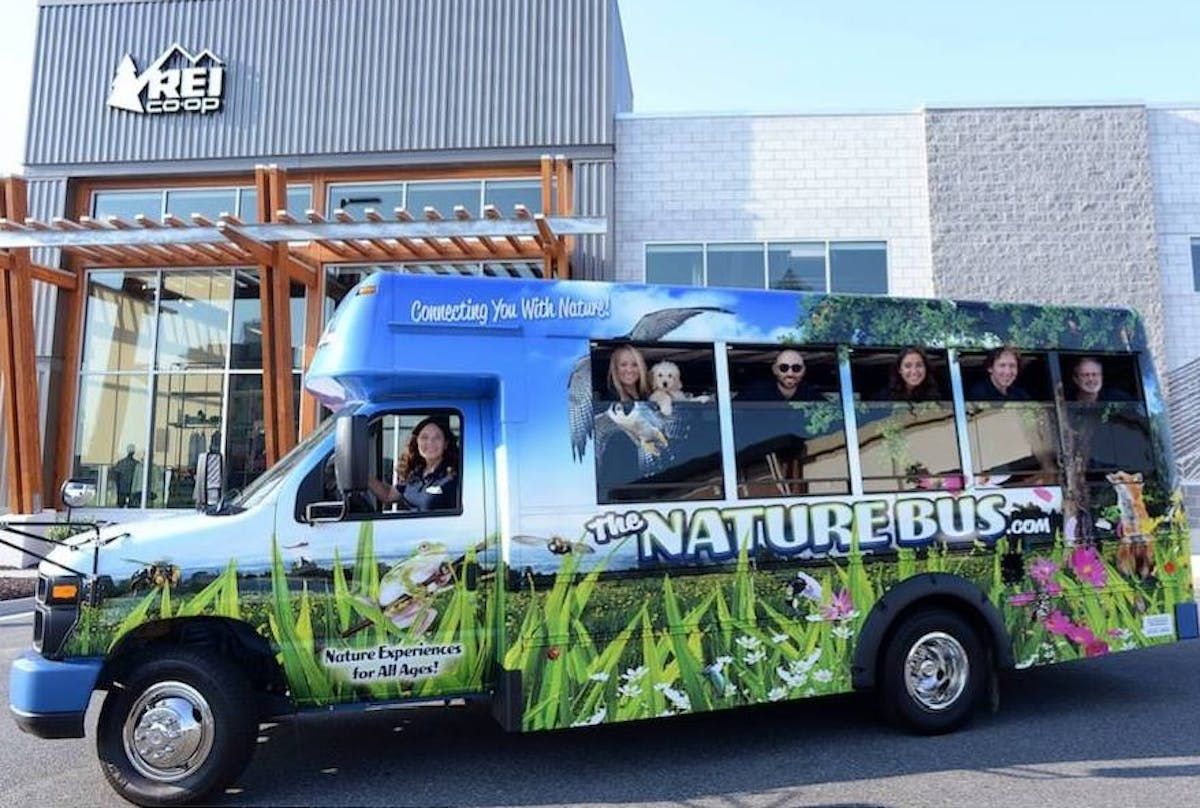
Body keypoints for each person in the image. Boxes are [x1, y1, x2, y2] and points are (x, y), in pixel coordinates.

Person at [367, 416, 460, 512]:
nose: (430, 442)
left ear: (445, 444)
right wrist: (364, 477)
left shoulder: (454, 476)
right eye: (424, 437)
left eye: (437, 438)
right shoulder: (415, 472)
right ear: (417, 442)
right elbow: (389, 495)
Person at [742, 349, 818, 402]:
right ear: (775, 370)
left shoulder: (811, 395)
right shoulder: (755, 392)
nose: (790, 373)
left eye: (796, 368)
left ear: (804, 370)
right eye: (784, 368)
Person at [967, 347, 1031, 401]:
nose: (1007, 372)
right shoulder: (978, 395)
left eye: (1012, 366)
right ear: (990, 368)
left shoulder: (1021, 395)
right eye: (1002, 365)